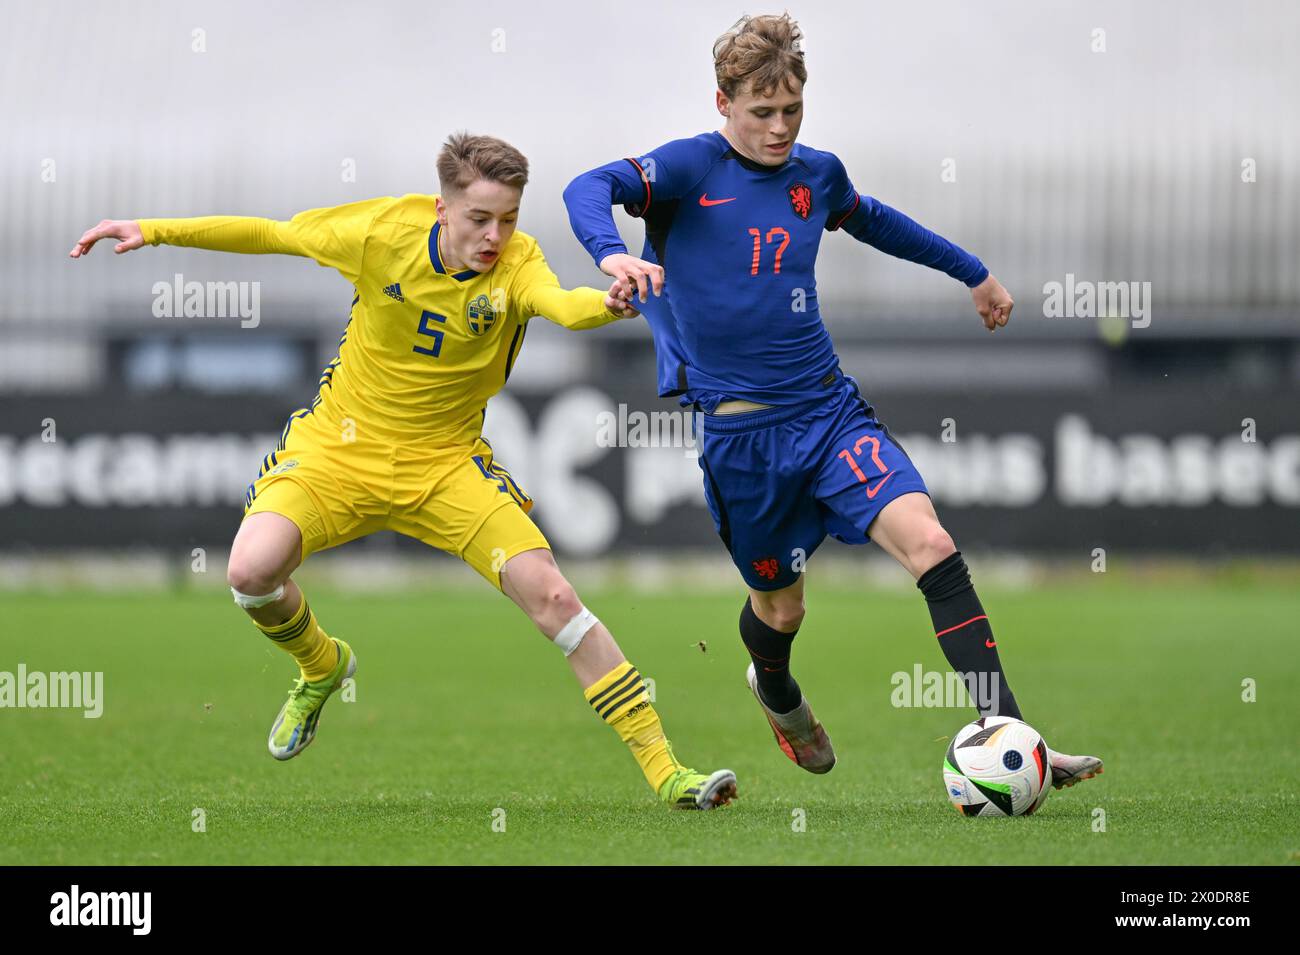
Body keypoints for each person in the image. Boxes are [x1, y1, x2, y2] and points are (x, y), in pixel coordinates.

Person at [70, 132, 738, 810]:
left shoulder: (519, 262)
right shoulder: (378, 232)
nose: (495, 235)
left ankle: (667, 772)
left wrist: (610, 303)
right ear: (442, 209)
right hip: (338, 449)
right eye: (480, 218)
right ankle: (321, 664)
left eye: (508, 218)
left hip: (446, 464)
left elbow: (561, 304)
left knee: (557, 599)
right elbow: (270, 235)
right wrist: (150, 230)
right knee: (249, 573)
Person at [563, 15, 1101, 794]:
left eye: (792, 110)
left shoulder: (818, 175)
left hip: (828, 411)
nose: (780, 128)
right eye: (761, 113)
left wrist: (973, 272)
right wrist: (610, 250)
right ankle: (775, 688)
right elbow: (589, 187)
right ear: (723, 102)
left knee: (933, 545)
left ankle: (1018, 739)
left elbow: (877, 221)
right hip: (742, 438)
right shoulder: (686, 169)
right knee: (780, 611)